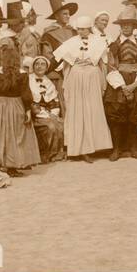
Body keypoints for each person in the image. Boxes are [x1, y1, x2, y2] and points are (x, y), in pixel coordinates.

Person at [51, 14, 112, 162]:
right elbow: (59, 59)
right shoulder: (71, 42)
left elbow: (103, 63)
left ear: (89, 28)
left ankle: (96, 147)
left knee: (93, 109)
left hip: (92, 76)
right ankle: (78, 149)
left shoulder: (99, 41)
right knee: (78, 110)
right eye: (78, 29)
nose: (81, 32)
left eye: (84, 29)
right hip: (76, 77)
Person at [0, 35, 40, 176]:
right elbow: (26, 95)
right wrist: (27, 111)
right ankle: (12, 165)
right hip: (16, 105)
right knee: (15, 136)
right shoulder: (22, 74)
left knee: (0, 134)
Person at [103, 11, 137, 160]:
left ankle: (134, 148)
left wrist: (134, 85)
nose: (126, 27)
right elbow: (111, 67)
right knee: (116, 116)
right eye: (123, 24)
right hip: (118, 83)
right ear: (120, 27)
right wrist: (122, 87)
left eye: (129, 24)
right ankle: (117, 149)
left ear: (133, 27)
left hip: (136, 81)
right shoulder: (114, 45)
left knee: (136, 115)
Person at [40, 0, 79, 103]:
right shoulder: (48, 34)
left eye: (69, 14)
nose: (68, 16)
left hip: (75, 72)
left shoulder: (74, 32)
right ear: (57, 16)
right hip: (58, 74)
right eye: (64, 14)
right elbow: (47, 56)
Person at [26, 55, 65, 162]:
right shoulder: (28, 80)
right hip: (35, 115)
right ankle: (45, 154)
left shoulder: (48, 82)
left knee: (61, 124)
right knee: (51, 126)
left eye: (42, 64)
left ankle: (57, 154)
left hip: (48, 113)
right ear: (33, 67)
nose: (39, 66)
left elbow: (54, 101)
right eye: (37, 64)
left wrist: (53, 114)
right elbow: (30, 102)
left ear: (46, 67)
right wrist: (46, 115)